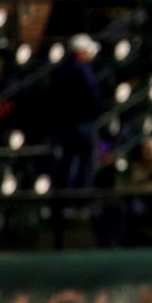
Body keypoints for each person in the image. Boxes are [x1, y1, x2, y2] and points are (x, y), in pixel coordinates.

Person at [50, 34, 104, 190]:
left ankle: (64, 195)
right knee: (85, 162)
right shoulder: (82, 71)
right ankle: (81, 199)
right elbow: (92, 95)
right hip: (83, 123)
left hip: (64, 125)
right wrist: (96, 109)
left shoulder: (60, 70)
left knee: (67, 160)